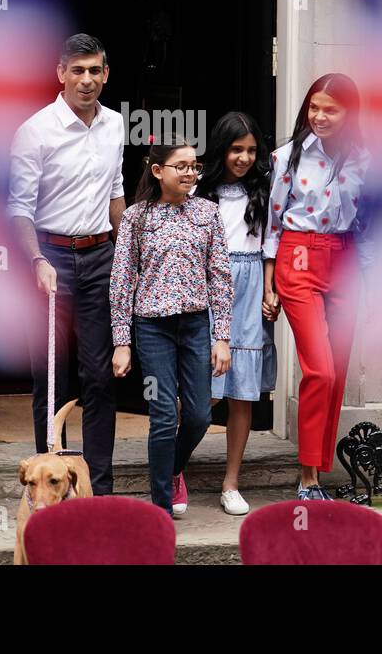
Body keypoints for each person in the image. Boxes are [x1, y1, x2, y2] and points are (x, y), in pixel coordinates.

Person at [7, 33, 126, 495]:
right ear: (60, 74)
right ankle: (47, 485)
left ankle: (99, 485)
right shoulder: (35, 130)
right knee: (51, 376)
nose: (87, 80)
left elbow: (115, 191)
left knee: (99, 375)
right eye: (77, 70)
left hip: (100, 255)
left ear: (106, 74)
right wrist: (36, 258)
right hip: (50, 255)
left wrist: (125, 251)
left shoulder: (115, 125)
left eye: (95, 70)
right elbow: (19, 207)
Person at [110, 137, 233, 518]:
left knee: (199, 415)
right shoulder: (137, 217)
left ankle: (172, 466)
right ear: (158, 170)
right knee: (163, 414)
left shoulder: (208, 213)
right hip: (152, 330)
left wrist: (222, 337)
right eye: (181, 166)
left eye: (194, 166)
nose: (190, 173)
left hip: (196, 326)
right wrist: (122, 341)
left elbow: (221, 277)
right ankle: (160, 506)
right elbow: (122, 278)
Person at [264, 74, 372, 501]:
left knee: (338, 371)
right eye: (314, 107)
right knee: (320, 369)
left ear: (350, 114)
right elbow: (273, 224)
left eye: (331, 109)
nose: (320, 116)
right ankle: (307, 477)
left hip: (344, 258)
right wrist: (269, 283)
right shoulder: (288, 157)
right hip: (299, 256)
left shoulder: (364, 160)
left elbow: (369, 227)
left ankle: (317, 470)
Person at [196, 112, 277, 516]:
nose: (244, 158)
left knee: (243, 392)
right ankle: (175, 469)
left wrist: (270, 288)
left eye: (250, 150)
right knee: (202, 390)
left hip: (249, 290)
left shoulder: (265, 189)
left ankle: (231, 482)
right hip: (209, 284)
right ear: (221, 150)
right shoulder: (200, 190)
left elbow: (269, 245)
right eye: (235, 149)